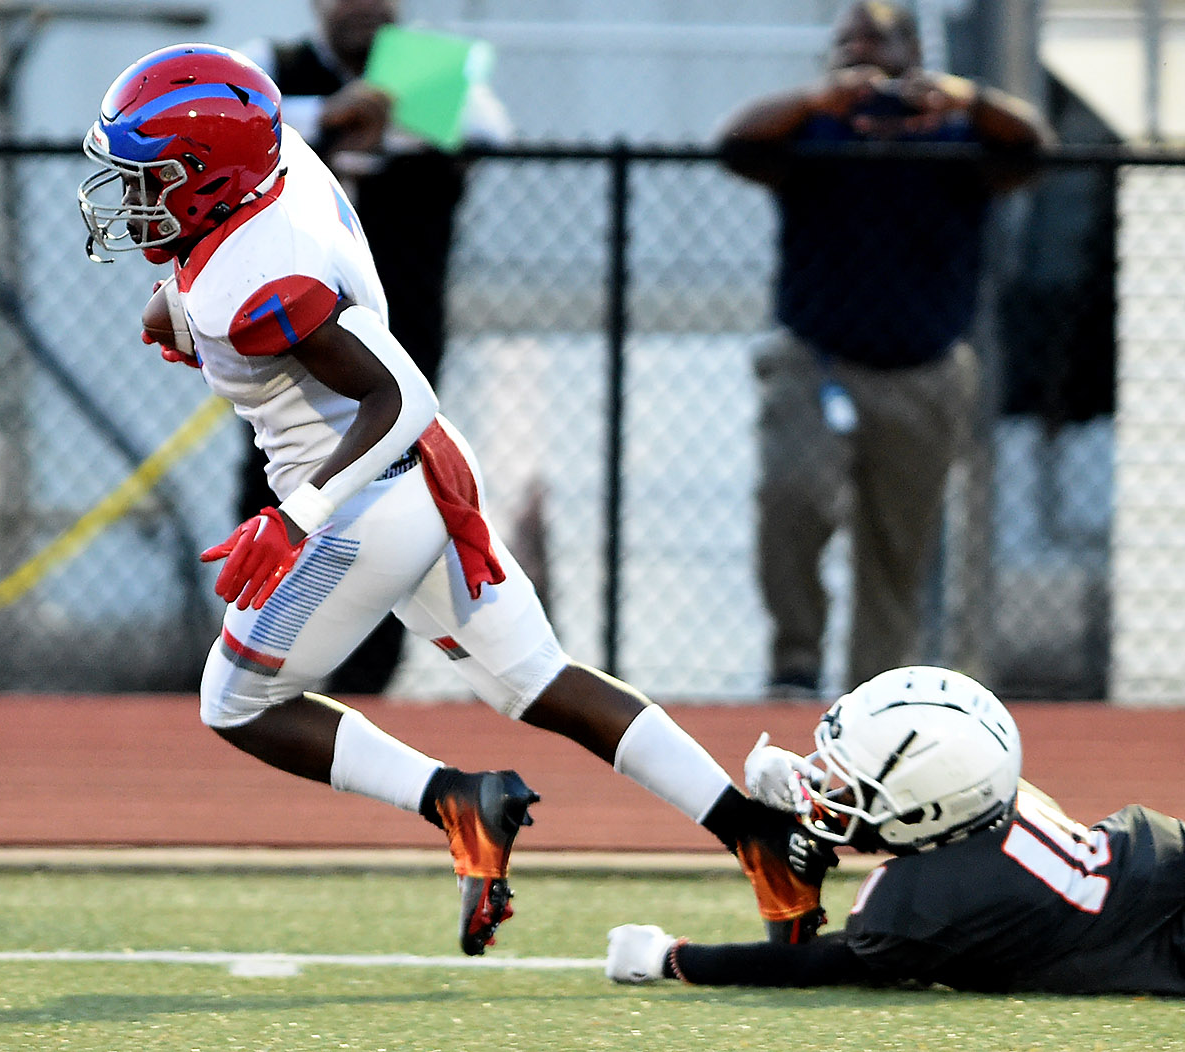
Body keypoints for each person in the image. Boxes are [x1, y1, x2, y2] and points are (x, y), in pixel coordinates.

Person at [78, 43, 826, 956]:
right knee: (540, 682)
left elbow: (399, 398)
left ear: (207, 179)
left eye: (149, 177)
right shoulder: (275, 177)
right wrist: (188, 312)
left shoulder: (256, 282)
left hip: (366, 498)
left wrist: (295, 518)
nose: (133, 198)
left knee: (237, 702)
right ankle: (758, 840)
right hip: (420, 476)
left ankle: (458, 802)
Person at [605, 665, 1185, 1005]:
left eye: (848, 777)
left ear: (927, 799)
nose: (829, 787)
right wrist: (813, 830)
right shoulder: (999, 800)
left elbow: (824, 963)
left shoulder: (924, 898)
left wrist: (678, 959)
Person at [715, 1, 1053, 697]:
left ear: (915, 55)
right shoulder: (814, 128)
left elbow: (1033, 149)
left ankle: (876, 692)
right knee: (792, 495)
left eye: (877, 42)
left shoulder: (958, 135)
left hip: (924, 368)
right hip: (818, 360)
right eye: (847, 44)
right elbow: (735, 146)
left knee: (897, 545)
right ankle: (795, 663)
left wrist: (965, 98)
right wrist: (819, 100)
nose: (861, 55)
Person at [233, 0, 512, 696]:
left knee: (397, 491)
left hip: (400, 337)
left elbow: (489, 127)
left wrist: (396, 114)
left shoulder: (430, 70)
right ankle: (264, 653)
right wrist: (330, 117)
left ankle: (365, 678)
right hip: (288, 340)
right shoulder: (270, 66)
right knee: (277, 478)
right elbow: (234, 127)